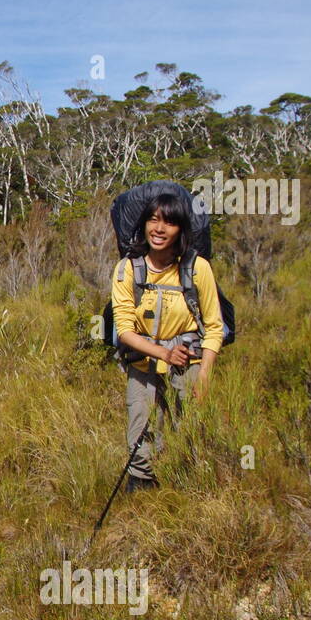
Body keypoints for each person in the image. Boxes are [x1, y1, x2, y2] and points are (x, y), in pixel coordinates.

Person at [110, 192, 223, 492]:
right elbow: (125, 330)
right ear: (144, 224)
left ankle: (185, 489)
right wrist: (163, 353)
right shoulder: (128, 270)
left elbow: (214, 327)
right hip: (143, 361)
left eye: (169, 223)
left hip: (189, 363)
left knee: (186, 429)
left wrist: (205, 375)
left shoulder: (197, 269)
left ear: (181, 230)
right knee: (139, 429)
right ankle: (142, 491)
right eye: (153, 220)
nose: (159, 229)